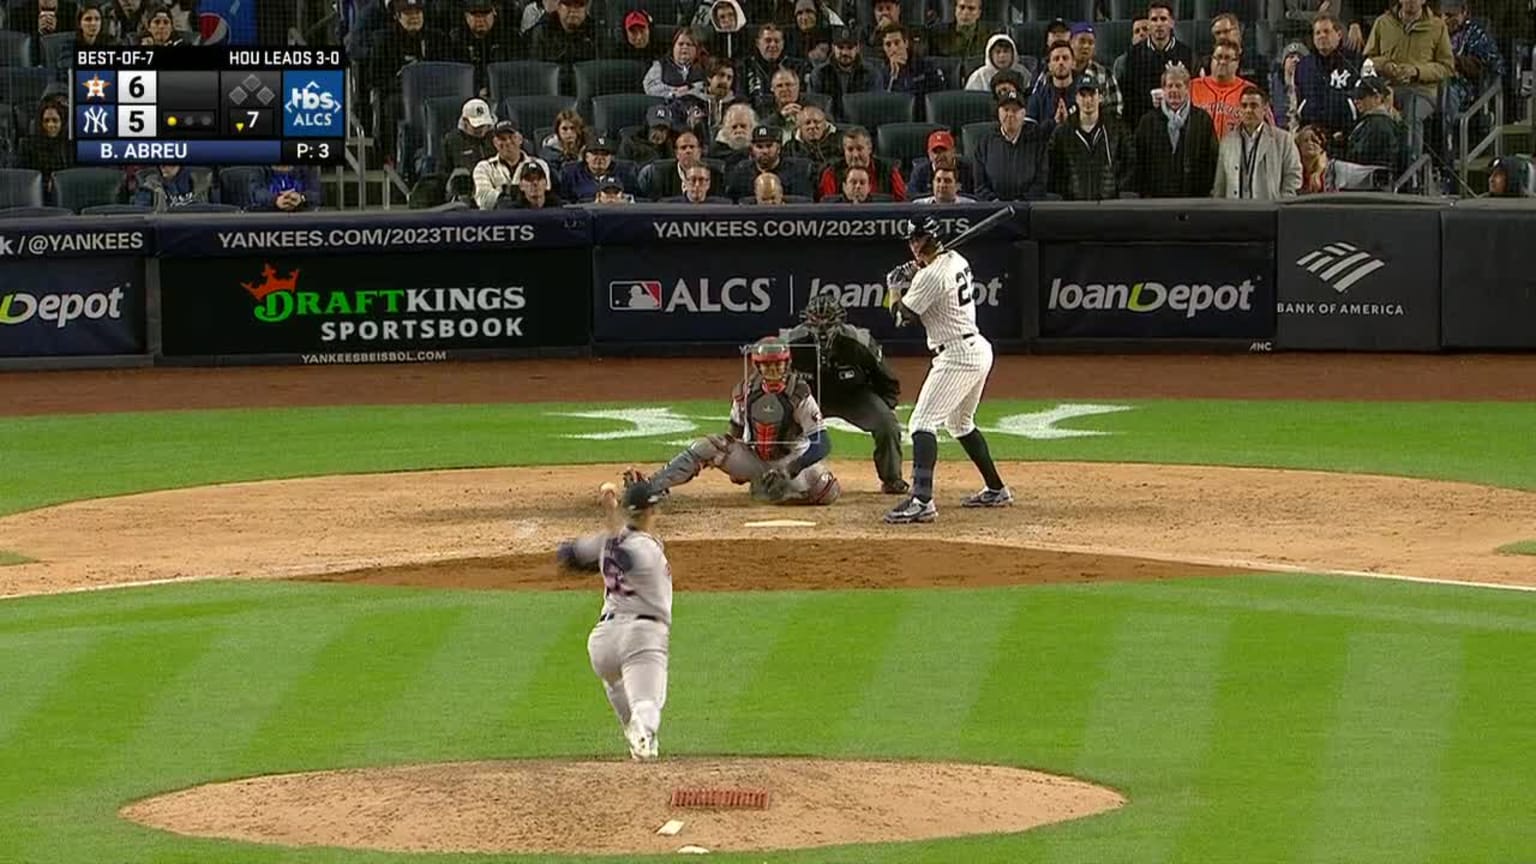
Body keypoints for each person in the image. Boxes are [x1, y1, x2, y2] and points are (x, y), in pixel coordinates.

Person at [882, 217, 1011, 524]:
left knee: (922, 423)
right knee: (960, 423)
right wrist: (918, 273)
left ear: (932, 237)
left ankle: (921, 501)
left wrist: (894, 288)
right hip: (976, 349)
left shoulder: (931, 276)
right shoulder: (955, 259)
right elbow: (932, 276)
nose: (914, 245)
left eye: (918, 239)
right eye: (911, 240)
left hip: (956, 355)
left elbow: (901, 318)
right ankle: (996, 489)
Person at [623, 337, 840, 505]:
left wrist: (791, 469)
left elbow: (823, 443)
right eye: (767, 366)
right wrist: (736, 466)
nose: (773, 371)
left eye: (778, 365)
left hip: (790, 461)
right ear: (758, 367)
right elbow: (734, 431)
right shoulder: (744, 392)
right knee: (710, 445)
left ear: (787, 365)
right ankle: (651, 487)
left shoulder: (799, 395)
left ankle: (776, 489)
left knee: (826, 490)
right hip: (754, 457)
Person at [555, 479, 673, 762]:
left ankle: (638, 737)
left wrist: (605, 540)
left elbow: (567, 555)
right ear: (649, 512)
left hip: (604, 639)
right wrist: (612, 525)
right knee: (648, 701)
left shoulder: (607, 541)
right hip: (642, 635)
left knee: (616, 684)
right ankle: (642, 732)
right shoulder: (646, 548)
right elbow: (626, 557)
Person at [779, 296, 908, 493]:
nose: (822, 328)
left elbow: (886, 379)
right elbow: (775, 378)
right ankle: (776, 476)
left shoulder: (859, 341)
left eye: (828, 321)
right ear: (806, 320)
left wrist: (887, 407)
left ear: (840, 321)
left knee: (887, 425)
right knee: (776, 424)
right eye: (816, 321)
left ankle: (892, 479)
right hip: (809, 398)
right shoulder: (791, 342)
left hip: (854, 396)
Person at [1363, 0, 1453, 162]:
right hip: (1388, 90)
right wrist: (1385, 65)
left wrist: (1417, 71)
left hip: (1423, 92)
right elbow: (1368, 60)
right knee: (1369, 109)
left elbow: (1446, 67)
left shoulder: (1438, 26)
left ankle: (1411, 174)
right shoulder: (1382, 23)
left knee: (1411, 112)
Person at [1134, 63, 1218, 197]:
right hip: (1156, 200)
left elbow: (1211, 160)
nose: (1174, 90)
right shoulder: (1147, 122)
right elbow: (1140, 162)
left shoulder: (1202, 120)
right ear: (1163, 89)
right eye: (1169, 86)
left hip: (1194, 199)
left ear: (1187, 89)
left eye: (1178, 85)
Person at [1050, 75, 1136, 200]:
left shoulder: (1116, 128)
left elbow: (1130, 163)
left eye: (1092, 94)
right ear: (1076, 98)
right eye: (1083, 95)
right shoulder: (1063, 132)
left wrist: (1116, 189)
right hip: (1074, 206)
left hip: (1109, 206)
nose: (1088, 100)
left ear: (1100, 97)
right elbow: (1054, 169)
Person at [1213, 86, 1303, 199]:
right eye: (1244, 106)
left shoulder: (1283, 140)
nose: (1248, 110)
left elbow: (1293, 176)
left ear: (1264, 110)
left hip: (1270, 210)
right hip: (1235, 211)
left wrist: (1283, 203)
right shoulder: (1227, 142)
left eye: (1254, 105)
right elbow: (1220, 183)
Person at [1287, 14, 1362, 140]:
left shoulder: (1357, 62)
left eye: (1326, 31)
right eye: (1317, 33)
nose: (1322, 36)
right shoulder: (1303, 66)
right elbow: (1293, 104)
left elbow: (1367, 104)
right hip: (1311, 138)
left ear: (1339, 34)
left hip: (1349, 136)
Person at [1121, 0, 1195, 126]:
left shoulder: (1186, 53)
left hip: (1179, 121)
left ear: (1172, 23)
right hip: (1144, 120)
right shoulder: (1133, 55)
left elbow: (1192, 91)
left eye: (1163, 19)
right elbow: (1128, 96)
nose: (1159, 24)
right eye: (1154, 19)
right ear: (1149, 23)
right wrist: (1150, 101)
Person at [1442, 0, 1503, 148]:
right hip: (1431, 82)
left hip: (1462, 86)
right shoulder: (1433, 31)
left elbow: (1486, 65)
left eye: (1451, 15)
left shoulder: (1477, 34)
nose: (1446, 20)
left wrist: (1454, 61)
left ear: (1464, 12)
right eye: (1443, 15)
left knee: (1446, 95)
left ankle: (1446, 148)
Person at [974, 91, 1049, 201]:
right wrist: (994, 203)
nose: (1010, 115)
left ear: (1024, 114)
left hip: (1027, 210)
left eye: (1015, 110)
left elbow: (1040, 184)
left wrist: (1020, 203)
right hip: (992, 210)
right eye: (1006, 110)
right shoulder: (984, 143)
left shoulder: (1037, 143)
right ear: (999, 112)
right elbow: (979, 186)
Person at [816, 126, 905, 200]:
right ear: (844, 151)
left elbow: (903, 204)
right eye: (850, 149)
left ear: (869, 149)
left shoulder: (889, 171)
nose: (855, 155)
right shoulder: (832, 172)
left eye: (859, 149)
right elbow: (827, 205)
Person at [726, 124, 813, 199]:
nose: (765, 151)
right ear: (752, 149)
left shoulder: (796, 171)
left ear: (778, 148)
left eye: (769, 146)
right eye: (759, 147)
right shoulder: (742, 172)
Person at [475, 120, 546, 209]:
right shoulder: (483, 167)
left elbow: (542, 196)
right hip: (495, 220)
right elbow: (484, 200)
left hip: (531, 217)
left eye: (512, 137)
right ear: (495, 143)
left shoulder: (539, 164)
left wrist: (502, 192)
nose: (508, 142)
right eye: (502, 139)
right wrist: (520, 192)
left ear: (520, 139)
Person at [1343, 75, 1405, 178]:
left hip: (1371, 183)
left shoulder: (1379, 124)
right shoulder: (1370, 121)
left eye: (1361, 97)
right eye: (1355, 97)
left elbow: (1360, 157)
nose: (1356, 101)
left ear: (1377, 97)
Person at [808, 28, 873, 119]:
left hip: (861, 127)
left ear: (858, 48)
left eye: (850, 48)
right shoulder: (819, 73)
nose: (845, 52)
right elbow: (813, 106)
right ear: (833, 48)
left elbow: (874, 109)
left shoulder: (871, 73)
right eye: (840, 47)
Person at [644, 28, 709, 114]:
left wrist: (689, 88)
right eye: (681, 44)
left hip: (698, 111)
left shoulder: (705, 67)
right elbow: (651, 88)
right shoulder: (660, 65)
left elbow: (709, 88)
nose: (684, 47)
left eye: (689, 44)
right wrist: (674, 92)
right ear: (674, 47)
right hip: (666, 110)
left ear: (696, 50)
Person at [874, 24, 945, 99]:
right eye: (888, 45)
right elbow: (883, 102)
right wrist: (894, 78)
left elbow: (938, 98)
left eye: (897, 43)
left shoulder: (926, 67)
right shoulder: (880, 73)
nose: (894, 49)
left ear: (906, 43)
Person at [743, 24, 808, 105]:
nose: (773, 45)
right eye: (768, 40)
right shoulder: (745, 66)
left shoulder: (798, 67)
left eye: (777, 41)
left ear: (783, 44)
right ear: (758, 43)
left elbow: (803, 97)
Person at [1069, 23, 1123, 119]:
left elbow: (1116, 109)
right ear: (1071, 43)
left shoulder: (1105, 74)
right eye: (1082, 41)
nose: (1086, 46)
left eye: (1091, 43)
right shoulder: (1057, 71)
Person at [18, 99, 72, 193]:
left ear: (62, 123)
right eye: (46, 121)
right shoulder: (27, 146)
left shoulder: (70, 146)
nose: (50, 125)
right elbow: (25, 178)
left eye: (55, 120)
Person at [561, 136, 638, 201]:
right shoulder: (571, 173)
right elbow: (563, 201)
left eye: (605, 154)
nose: (600, 158)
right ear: (586, 157)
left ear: (611, 158)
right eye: (595, 153)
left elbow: (639, 199)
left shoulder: (625, 172)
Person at [906, 129, 975, 198]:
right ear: (929, 154)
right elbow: (913, 198)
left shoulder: (969, 170)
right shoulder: (920, 172)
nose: (940, 156)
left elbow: (977, 197)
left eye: (944, 150)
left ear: (953, 151)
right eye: (936, 152)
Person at [1028, 41, 1078, 134]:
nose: (1061, 62)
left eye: (1065, 58)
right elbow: (1030, 132)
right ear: (1049, 66)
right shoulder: (1038, 96)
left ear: (1073, 63)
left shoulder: (1083, 93)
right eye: (1056, 59)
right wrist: (1054, 122)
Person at [532, 0, 599, 63]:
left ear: (586, 9)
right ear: (559, 7)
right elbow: (537, 69)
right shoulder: (543, 32)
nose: (573, 10)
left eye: (579, 5)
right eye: (568, 4)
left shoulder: (595, 32)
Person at [783, 104, 842, 173]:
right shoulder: (790, 147)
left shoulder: (839, 141)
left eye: (817, 122)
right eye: (807, 123)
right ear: (800, 127)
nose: (812, 126)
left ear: (825, 124)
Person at [966, 33, 1031, 92]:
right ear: (990, 55)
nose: (1002, 55)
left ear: (1013, 54)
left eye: (1006, 51)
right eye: (998, 52)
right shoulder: (979, 76)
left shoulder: (1023, 73)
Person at [132, 164, 210, 210]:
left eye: (168, 163)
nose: (163, 166)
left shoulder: (200, 182)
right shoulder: (149, 186)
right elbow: (141, 217)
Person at [251, 166, 321, 211]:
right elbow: (256, 192)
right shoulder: (259, 167)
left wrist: (301, 197)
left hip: (303, 218)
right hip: (267, 219)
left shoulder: (309, 167)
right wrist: (275, 200)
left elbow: (316, 193)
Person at [664, 163, 732, 202]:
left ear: (708, 184)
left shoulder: (724, 206)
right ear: (685, 182)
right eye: (693, 180)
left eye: (701, 180)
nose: (697, 185)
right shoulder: (667, 205)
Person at [1296, 124, 1329, 192]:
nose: (1310, 143)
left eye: (1314, 141)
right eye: (1305, 140)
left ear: (1321, 147)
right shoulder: (1294, 169)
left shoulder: (1330, 170)